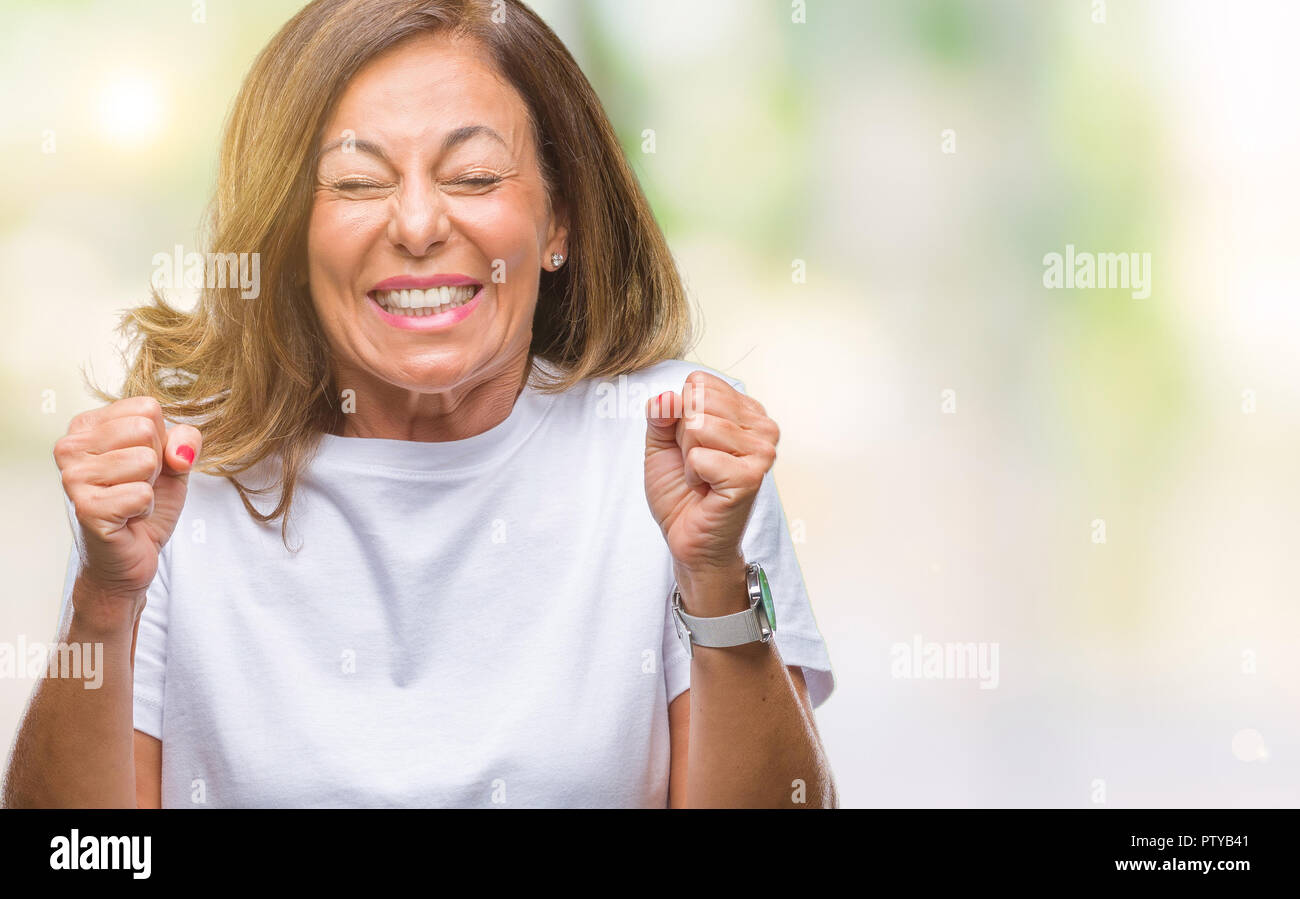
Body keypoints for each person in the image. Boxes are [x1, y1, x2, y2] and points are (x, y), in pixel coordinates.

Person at [3, 0, 835, 808]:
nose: (416, 222)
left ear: (560, 222)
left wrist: (716, 577)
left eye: (473, 175)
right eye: (358, 183)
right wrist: (104, 606)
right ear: (289, 238)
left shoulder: (669, 445)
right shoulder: (181, 479)